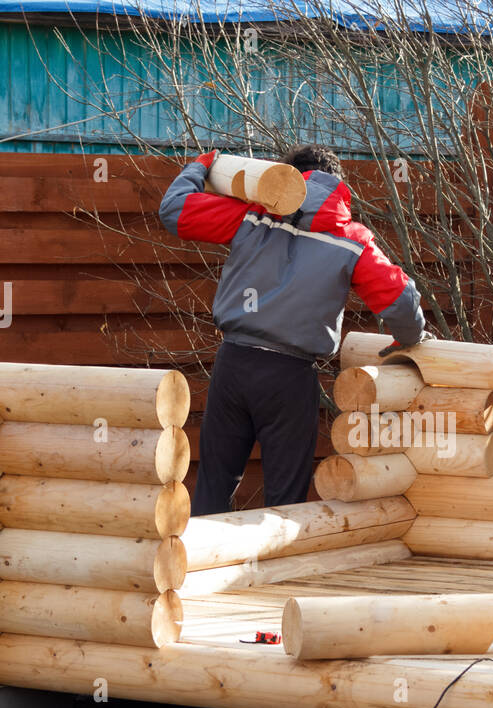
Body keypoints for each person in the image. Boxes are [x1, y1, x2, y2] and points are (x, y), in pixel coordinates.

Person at [159, 144, 432, 515]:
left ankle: (198, 570)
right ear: (339, 186)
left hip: (233, 364)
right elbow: (399, 300)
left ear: (285, 177)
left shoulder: (251, 216)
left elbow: (174, 210)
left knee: (215, 482)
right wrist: (410, 337)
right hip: (290, 377)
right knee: (285, 499)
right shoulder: (351, 239)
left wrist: (201, 166)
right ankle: (276, 572)